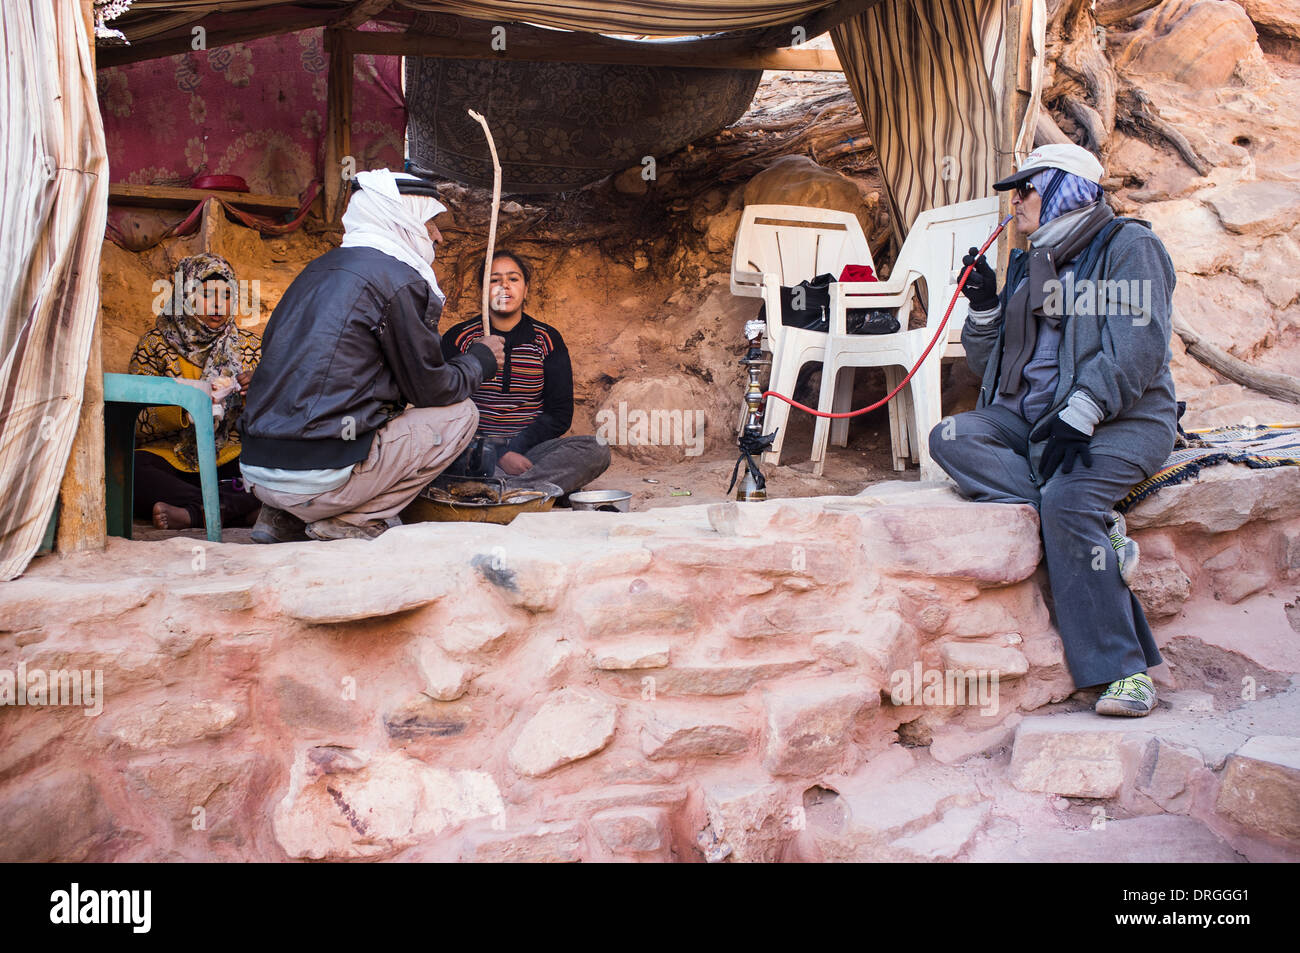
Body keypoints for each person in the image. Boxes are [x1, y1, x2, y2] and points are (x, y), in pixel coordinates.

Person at [927, 142, 1177, 717]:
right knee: (952, 438)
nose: (1017, 202)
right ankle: (1103, 527)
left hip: (1120, 419)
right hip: (1033, 421)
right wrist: (986, 307)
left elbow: (1138, 349)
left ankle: (1126, 674)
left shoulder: (1130, 247)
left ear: (1064, 189)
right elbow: (988, 368)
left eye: (1028, 189)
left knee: (1066, 503)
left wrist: (1083, 409)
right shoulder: (1031, 261)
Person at [238, 169, 505, 542]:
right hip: (319, 478)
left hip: (257, 472)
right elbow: (432, 390)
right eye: (431, 223)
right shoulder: (398, 279)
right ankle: (354, 518)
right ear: (403, 219)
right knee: (461, 414)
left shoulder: (317, 270)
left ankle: (280, 517)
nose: (438, 236)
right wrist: (479, 361)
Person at [440, 250, 610, 495]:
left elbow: (559, 413)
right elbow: (447, 406)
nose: (504, 286)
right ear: (482, 290)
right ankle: (533, 490)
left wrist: (513, 450)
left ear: (526, 288)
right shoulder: (460, 339)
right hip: (472, 450)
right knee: (438, 455)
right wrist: (496, 452)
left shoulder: (547, 340)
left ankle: (500, 491)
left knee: (596, 448)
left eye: (513, 279)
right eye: (494, 279)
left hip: (529, 452)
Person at [128, 253, 261, 531]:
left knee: (269, 467)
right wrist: (184, 409)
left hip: (229, 459)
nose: (217, 305)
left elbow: (279, 418)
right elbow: (134, 420)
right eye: (207, 295)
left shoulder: (249, 347)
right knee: (132, 471)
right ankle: (226, 511)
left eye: (225, 296)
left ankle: (191, 514)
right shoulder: (155, 346)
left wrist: (260, 393)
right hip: (171, 461)